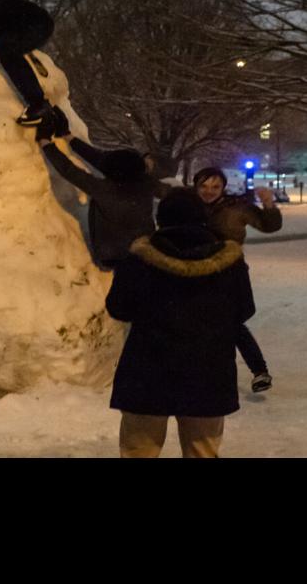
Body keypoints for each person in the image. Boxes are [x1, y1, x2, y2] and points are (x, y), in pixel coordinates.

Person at [105, 189, 255, 458]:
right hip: (208, 372)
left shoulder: (138, 259)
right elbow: (244, 310)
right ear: (203, 218)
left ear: (160, 219)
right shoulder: (229, 261)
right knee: (202, 452)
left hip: (147, 371)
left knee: (138, 452)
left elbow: (118, 308)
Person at [194, 167, 281, 392]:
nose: (209, 191)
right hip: (196, 271)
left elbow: (269, 225)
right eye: (203, 186)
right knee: (197, 322)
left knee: (232, 323)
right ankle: (205, 372)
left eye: (215, 186)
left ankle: (259, 371)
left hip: (229, 272)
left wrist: (269, 204)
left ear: (223, 187)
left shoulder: (236, 207)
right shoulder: (188, 207)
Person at [39, 127, 171, 271]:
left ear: (113, 171)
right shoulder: (147, 184)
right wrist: (69, 137)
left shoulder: (103, 189)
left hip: (111, 257)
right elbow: (99, 160)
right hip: (145, 252)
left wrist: (46, 142)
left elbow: (69, 170)